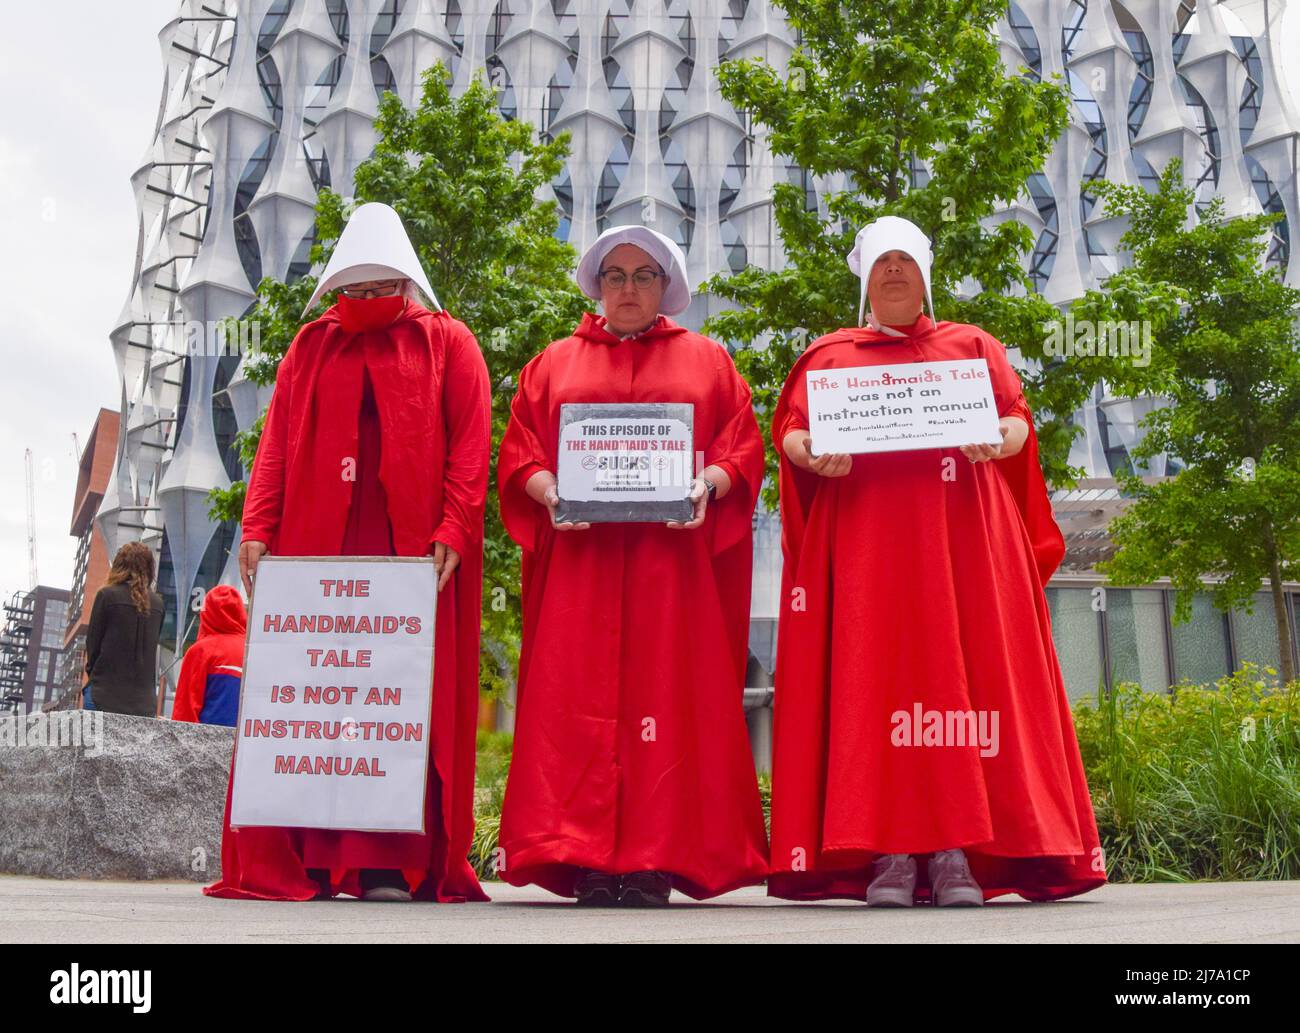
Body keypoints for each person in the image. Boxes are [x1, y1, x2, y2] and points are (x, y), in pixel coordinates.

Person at [767, 215, 1106, 906]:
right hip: (865, 556)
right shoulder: (829, 357)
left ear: (926, 274)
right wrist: (811, 454)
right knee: (873, 685)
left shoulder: (972, 345)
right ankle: (889, 855)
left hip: (962, 551)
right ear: (864, 279)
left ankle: (958, 855)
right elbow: (793, 433)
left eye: (907, 261)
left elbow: (1016, 420)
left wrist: (999, 439)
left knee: (965, 681)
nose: (894, 271)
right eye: (882, 262)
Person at [203, 202, 491, 904]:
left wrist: (454, 525)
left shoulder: (449, 343)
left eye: (376, 287)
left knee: (397, 694)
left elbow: (469, 440)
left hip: (408, 554)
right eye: (352, 290)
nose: (363, 301)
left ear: (404, 280)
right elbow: (274, 443)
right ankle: (311, 853)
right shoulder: (309, 346)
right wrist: (257, 523)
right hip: (317, 549)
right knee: (316, 695)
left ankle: (390, 859)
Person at [495, 224, 769, 906]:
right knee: (576, 703)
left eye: (643, 275)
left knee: (666, 703)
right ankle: (586, 856)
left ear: (665, 286)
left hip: (670, 573)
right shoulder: (552, 364)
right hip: (581, 571)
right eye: (615, 275)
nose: (627, 288)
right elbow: (520, 453)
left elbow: (742, 449)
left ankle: (655, 859)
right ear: (596, 285)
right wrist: (549, 490)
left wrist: (709, 484)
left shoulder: (709, 362)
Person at [83, 542, 165, 716]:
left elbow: (93, 646)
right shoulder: (158, 604)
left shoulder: (107, 595)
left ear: (119, 565)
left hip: (103, 694)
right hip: (144, 703)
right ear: (150, 569)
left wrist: (94, 676)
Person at [170, 584, 246, 727]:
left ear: (207, 613)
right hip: (246, 744)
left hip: (208, 743)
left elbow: (184, 712)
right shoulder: (252, 651)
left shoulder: (201, 651)